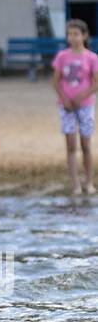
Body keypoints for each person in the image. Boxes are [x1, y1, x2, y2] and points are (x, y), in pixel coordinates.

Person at [51, 19, 98, 197]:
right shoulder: (62, 56)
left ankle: (89, 181)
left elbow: (95, 82)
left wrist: (82, 96)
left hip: (85, 106)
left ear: (85, 36)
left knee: (86, 144)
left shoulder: (91, 57)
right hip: (66, 107)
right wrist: (65, 99)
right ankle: (76, 184)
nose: (72, 37)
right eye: (69, 34)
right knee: (71, 145)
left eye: (76, 34)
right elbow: (56, 81)